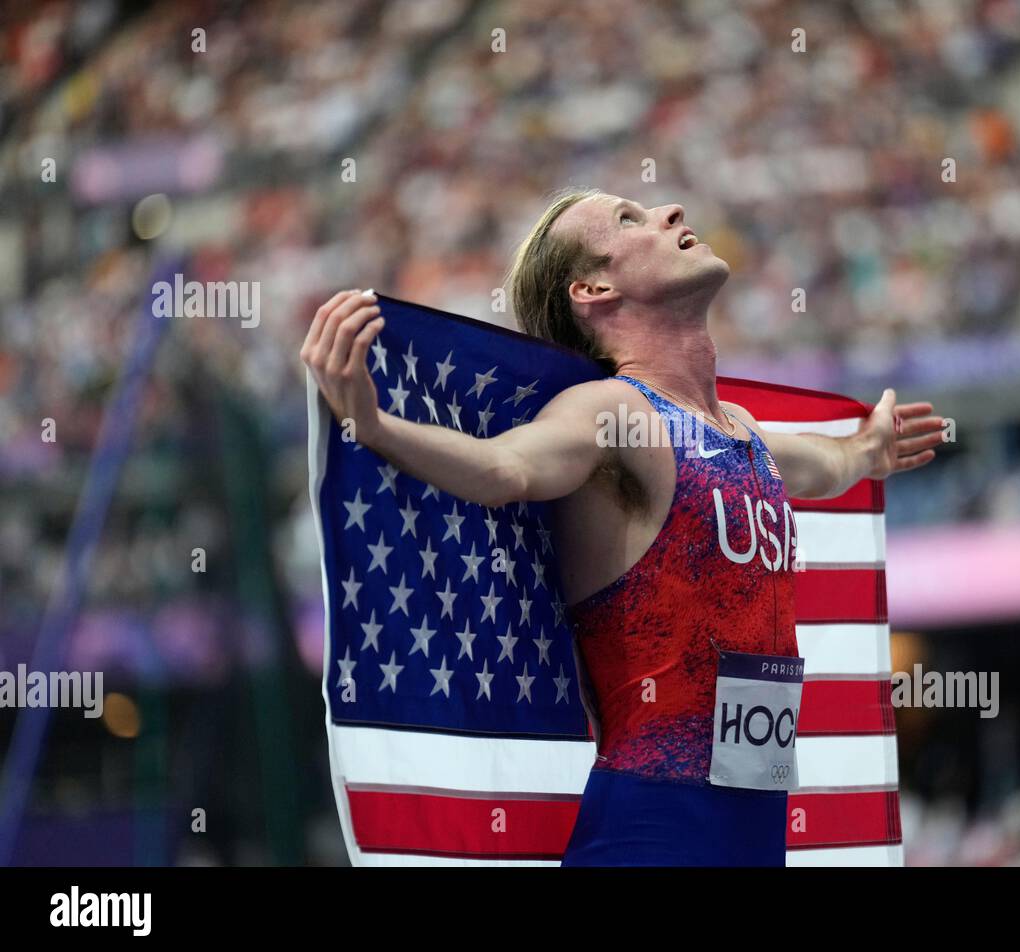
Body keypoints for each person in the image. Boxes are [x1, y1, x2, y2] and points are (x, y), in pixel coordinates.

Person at [300, 187, 944, 865]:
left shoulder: (743, 434)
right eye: (628, 220)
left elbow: (825, 464)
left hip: (755, 830)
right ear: (593, 287)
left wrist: (869, 452)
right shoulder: (613, 413)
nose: (669, 213)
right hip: (652, 831)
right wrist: (370, 426)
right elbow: (504, 470)